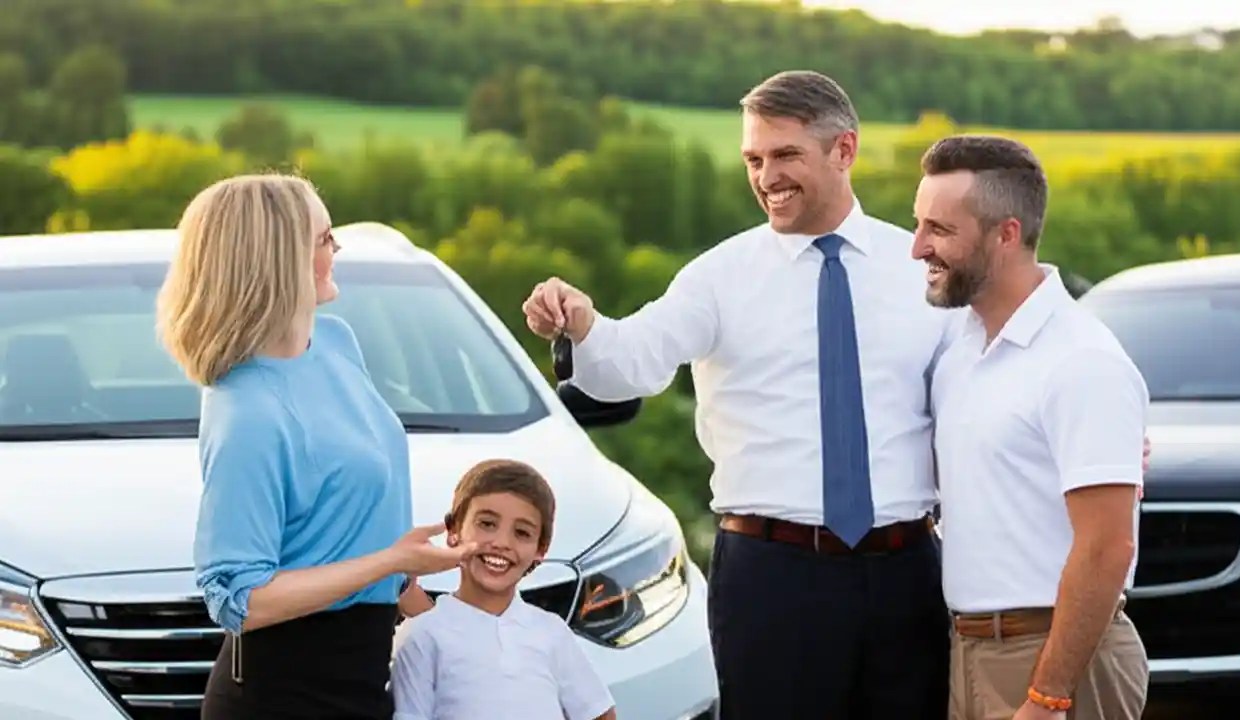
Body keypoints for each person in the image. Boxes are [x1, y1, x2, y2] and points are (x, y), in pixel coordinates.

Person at [522, 70, 952, 718]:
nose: (766, 176)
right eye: (754, 159)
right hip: (772, 579)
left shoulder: (919, 269)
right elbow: (630, 363)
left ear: (845, 150)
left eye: (785, 155)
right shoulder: (717, 278)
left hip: (906, 573)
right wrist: (584, 326)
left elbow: (977, 393)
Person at [156, 173, 476, 720]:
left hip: (366, 673)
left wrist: (439, 623)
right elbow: (239, 599)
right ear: (278, 259)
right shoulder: (248, 413)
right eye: (325, 239)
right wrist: (392, 560)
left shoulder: (334, 344)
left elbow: (350, 521)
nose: (337, 250)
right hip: (286, 695)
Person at [912, 135, 1149, 720]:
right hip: (969, 651)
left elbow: (1107, 547)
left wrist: (1048, 696)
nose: (918, 247)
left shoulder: (1082, 360)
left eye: (939, 229)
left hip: (1058, 660)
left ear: (1006, 234)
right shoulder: (959, 351)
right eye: (918, 225)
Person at [389, 459, 617, 720]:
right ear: (454, 531)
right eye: (486, 524)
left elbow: (600, 714)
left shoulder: (551, 632)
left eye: (521, 533)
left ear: (540, 551)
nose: (501, 543)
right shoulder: (422, 635)